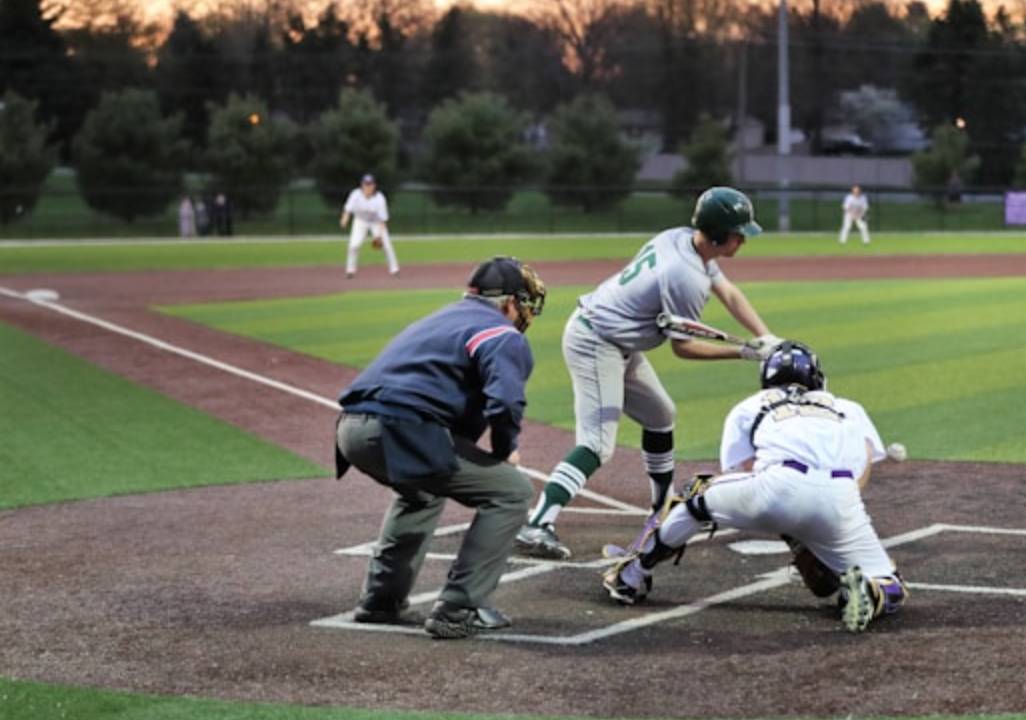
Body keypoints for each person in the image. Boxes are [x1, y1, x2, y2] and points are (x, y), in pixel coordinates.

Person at [514, 186, 782, 560]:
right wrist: (742, 352)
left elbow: (729, 292)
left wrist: (765, 336)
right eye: (738, 233)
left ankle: (661, 507)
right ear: (719, 233)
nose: (743, 240)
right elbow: (683, 347)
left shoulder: (682, 239)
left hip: (621, 341)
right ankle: (538, 523)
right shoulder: (684, 276)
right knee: (596, 444)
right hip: (596, 341)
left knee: (660, 415)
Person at [602, 341, 909, 634]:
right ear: (817, 378)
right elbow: (863, 467)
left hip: (777, 488)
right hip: (841, 497)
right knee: (892, 583)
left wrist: (790, 529)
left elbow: (738, 472)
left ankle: (632, 575)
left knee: (698, 493)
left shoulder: (752, 405)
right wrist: (818, 534)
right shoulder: (848, 407)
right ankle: (872, 591)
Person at [334, 256, 546, 639]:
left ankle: (380, 602)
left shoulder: (440, 318)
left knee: (421, 494)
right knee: (512, 491)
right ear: (509, 303)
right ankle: (460, 607)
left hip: (350, 431)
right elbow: (506, 403)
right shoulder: (502, 333)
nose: (526, 311)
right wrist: (503, 450)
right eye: (524, 302)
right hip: (401, 429)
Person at [341, 173, 400, 278]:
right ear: (362, 185)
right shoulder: (355, 194)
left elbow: (382, 220)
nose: (368, 187)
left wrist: (379, 236)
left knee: (386, 245)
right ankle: (350, 271)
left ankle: (394, 270)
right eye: (366, 184)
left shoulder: (379, 198)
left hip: (376, 222)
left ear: (374, 186)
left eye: (370, 184)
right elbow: (348, 209)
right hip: (360, 221)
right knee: (354, 245)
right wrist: (345, 219)